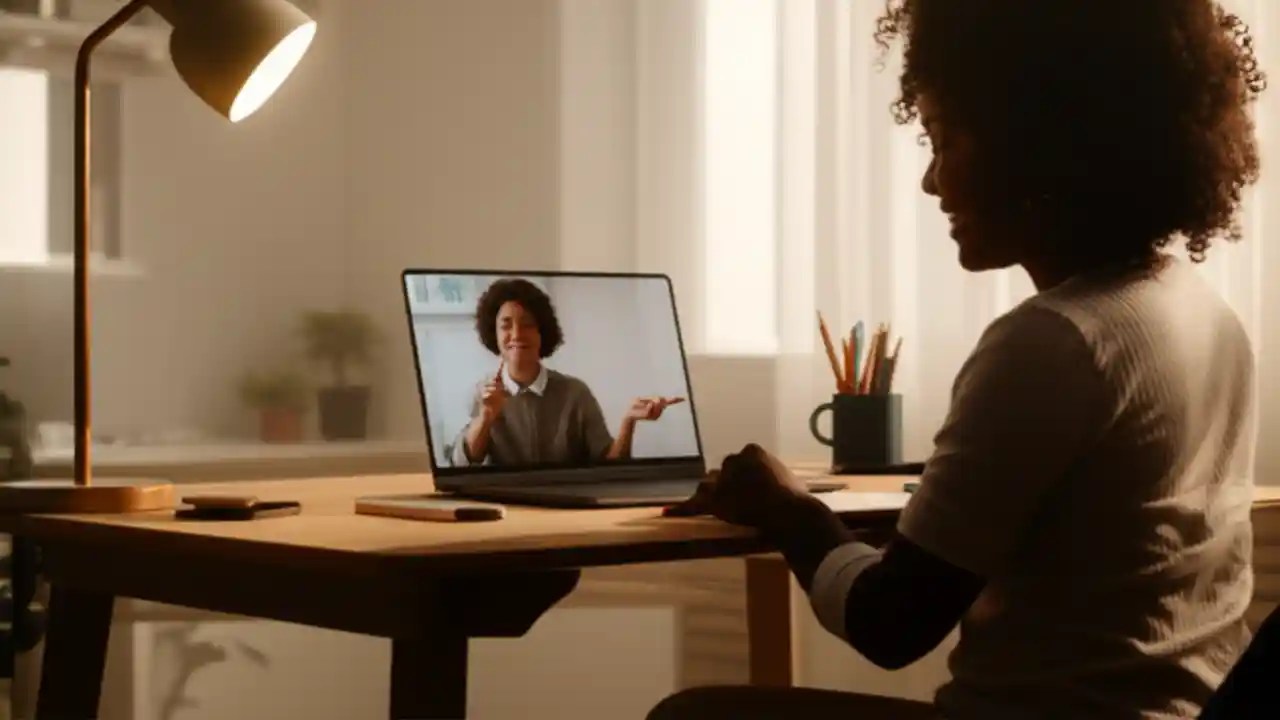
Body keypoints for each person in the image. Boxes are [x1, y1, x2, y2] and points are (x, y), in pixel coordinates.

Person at [653, 1, 1265, 718]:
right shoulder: (1203, 312)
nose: (931, 182)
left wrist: (790, 511)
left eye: (943, 139)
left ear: (1033, 142)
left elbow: (888, 624)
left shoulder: (1053, 342)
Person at [449, 278, 684, 467]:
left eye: (528, 323)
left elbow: (611, 468)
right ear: (494, 334)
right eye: (506, 325)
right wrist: (486, 416)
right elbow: (461, 464)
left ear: (543, 333)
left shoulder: (576, 393)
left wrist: (628, 421)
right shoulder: (481, 393)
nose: (517, 334)